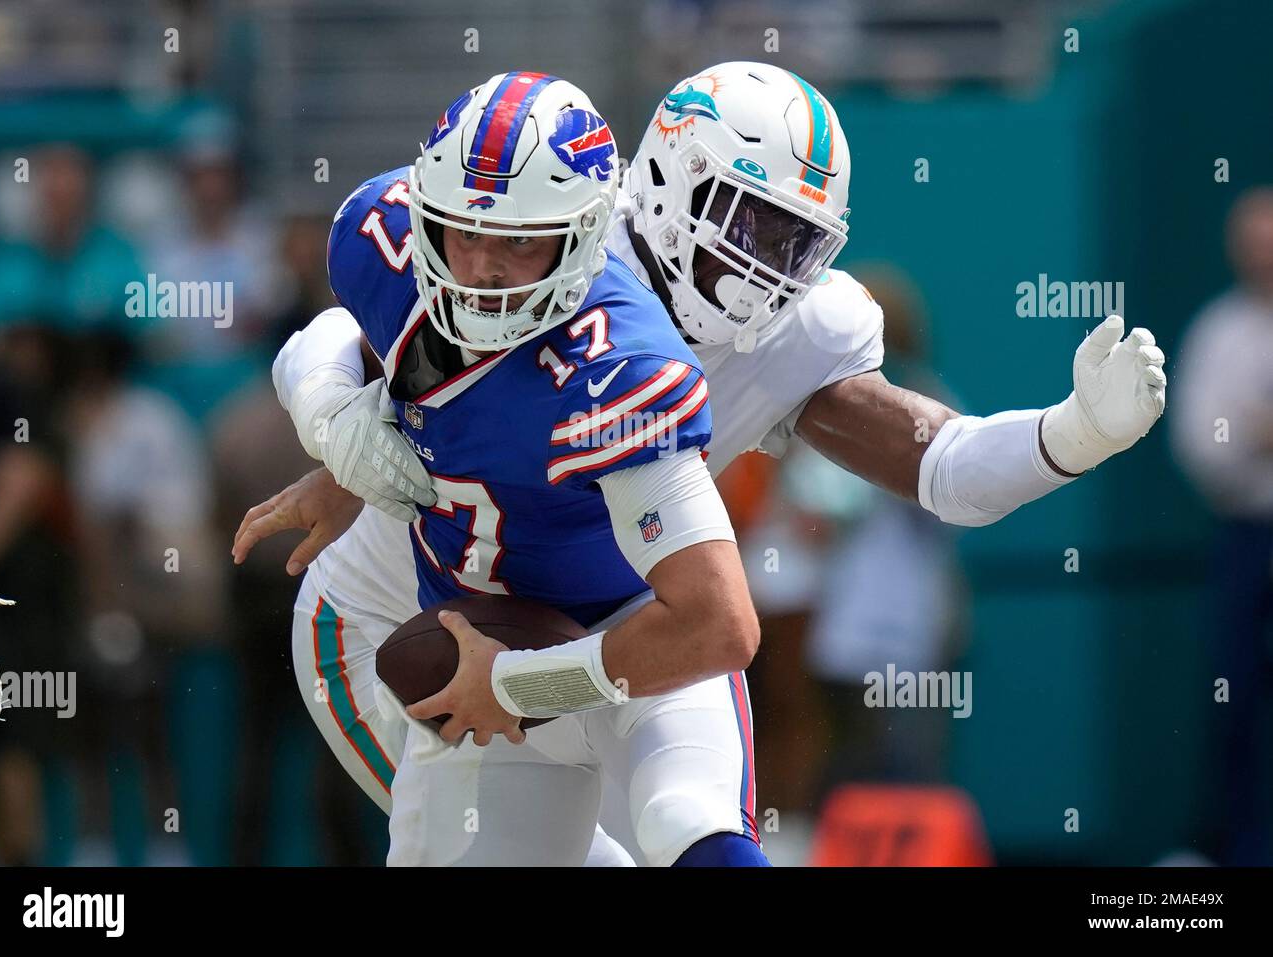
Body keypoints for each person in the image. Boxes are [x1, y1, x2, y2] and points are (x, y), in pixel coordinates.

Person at [236, 63, 1167, 865]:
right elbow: (360, 332)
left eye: (793, 240)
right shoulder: (533, 239)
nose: (768, 264)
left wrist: (1074, 431)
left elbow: (942, 467)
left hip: (635, 611)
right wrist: (343, 439)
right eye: (748, 222)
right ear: (671, 179)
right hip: (407, 604)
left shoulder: (773, 334)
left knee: (689, 821)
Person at [259, 71, 764, 866]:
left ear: (585, 235)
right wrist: (330, 418)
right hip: (478, 667)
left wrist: (525, 683)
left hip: (636, 645)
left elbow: (718, 624)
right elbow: (337, 333)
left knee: (685, 823)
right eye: (463, 232)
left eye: (520, 241)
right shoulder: (386, 243)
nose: (484, 268)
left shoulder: (619, 372)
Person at [1171, 186, 1273, 865]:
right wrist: (1254, 432)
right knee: (1237, 697)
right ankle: (1239, 851)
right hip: (1247, 537)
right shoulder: (1218, 331)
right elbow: (1201, 445)